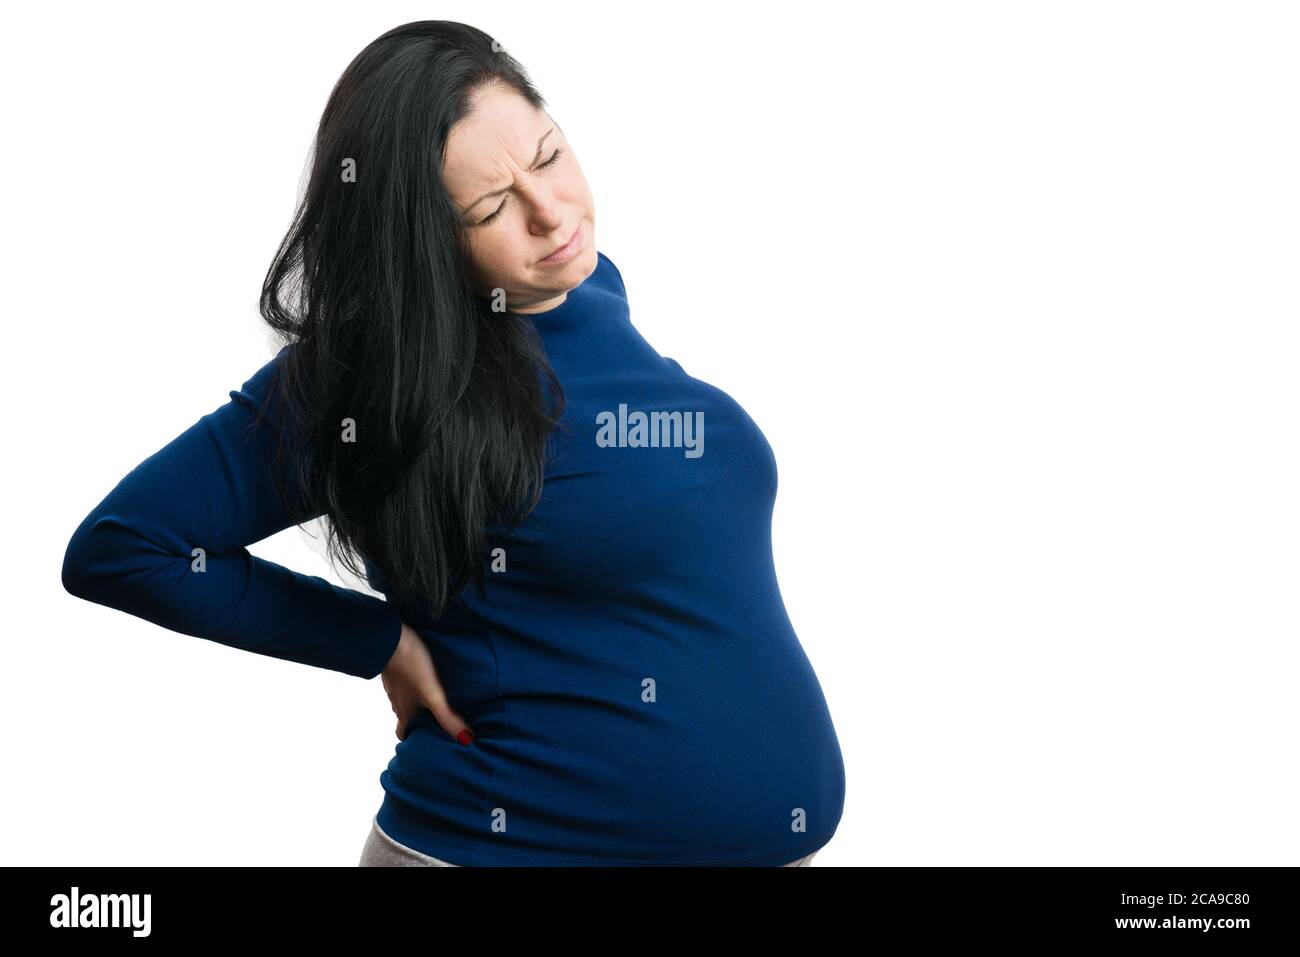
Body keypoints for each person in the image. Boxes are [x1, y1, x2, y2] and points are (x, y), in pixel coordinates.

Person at [61, 19, 845, 867]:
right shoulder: (370, 382)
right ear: (424, 248)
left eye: (546, 156)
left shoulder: (587, 287)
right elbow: (124, 545)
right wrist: (377, 640)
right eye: (491, 207)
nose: (551, 214)